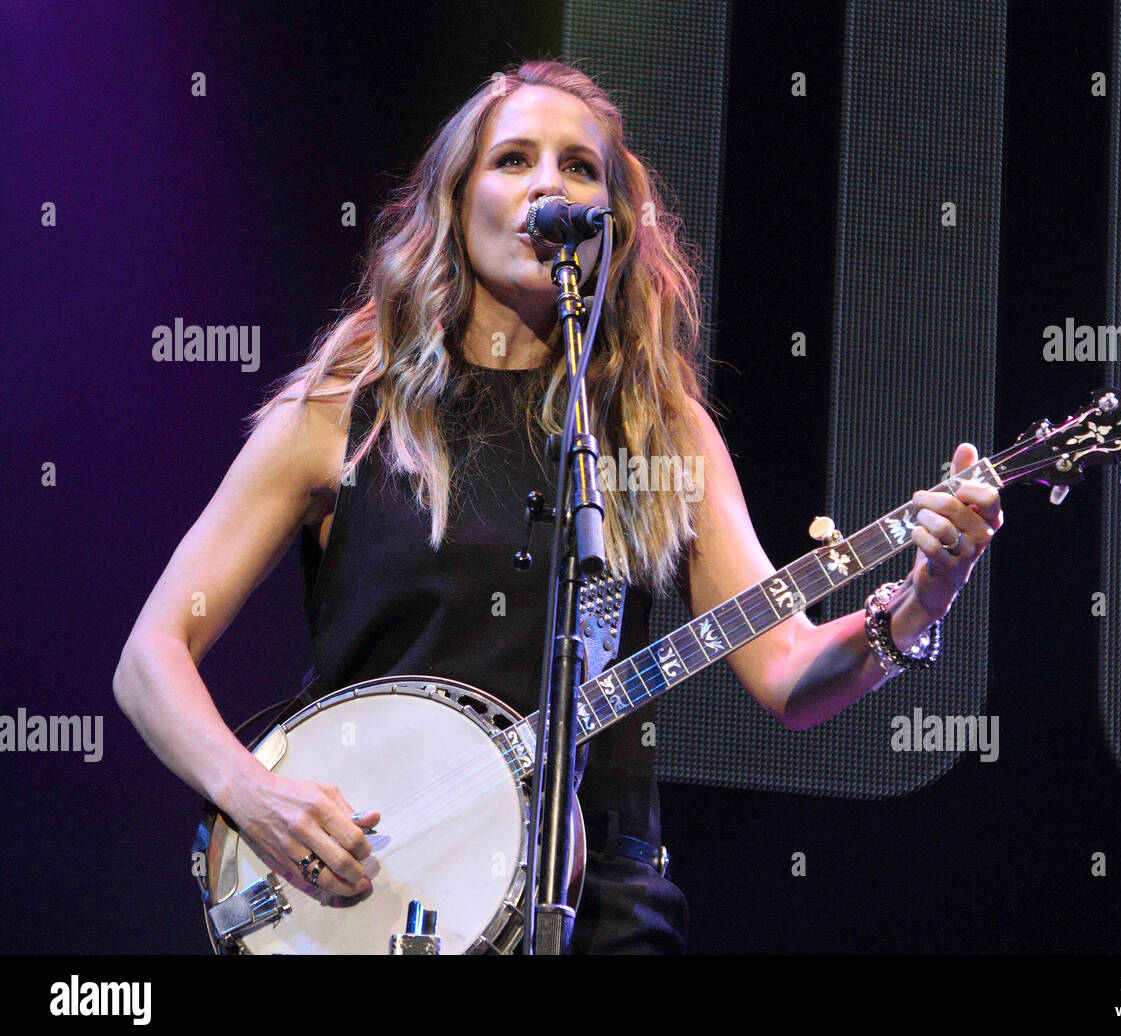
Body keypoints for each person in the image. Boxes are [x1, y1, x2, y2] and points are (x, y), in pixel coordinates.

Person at [113, 59, 1003, 954]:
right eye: (513, 161)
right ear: (456, 205)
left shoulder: (663, 431)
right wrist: (254, 792)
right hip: (378, 895)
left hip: (602, 903)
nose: (549, 184)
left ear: (610, 223)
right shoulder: (346, 413)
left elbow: (788, 674)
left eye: (579, 168)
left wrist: (923, 600)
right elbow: (151, 655)